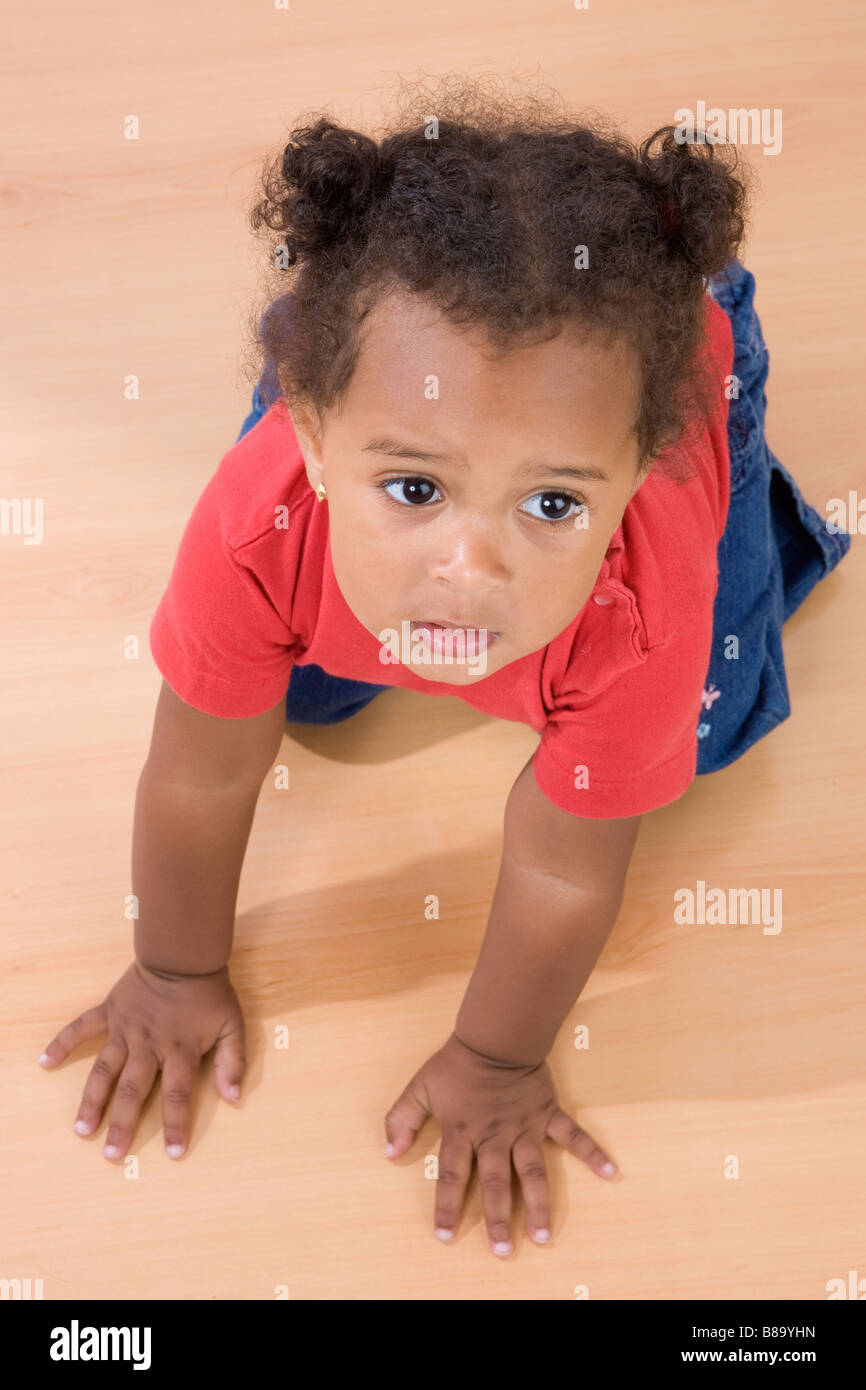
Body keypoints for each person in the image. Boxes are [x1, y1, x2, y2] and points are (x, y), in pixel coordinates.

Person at [39, 80, 850, 1259]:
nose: (467, 572)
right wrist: (171, 969)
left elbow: (565, 874)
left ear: (628, 478)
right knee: (304, 699)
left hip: (682, 396)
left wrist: (496, 1059)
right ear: (310, 439)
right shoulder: (254, 521)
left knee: (707, 731)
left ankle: (737, 440)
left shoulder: (638, 605)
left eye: (552, 502)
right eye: (413, 488)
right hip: (340, 468)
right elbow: (203, 774)